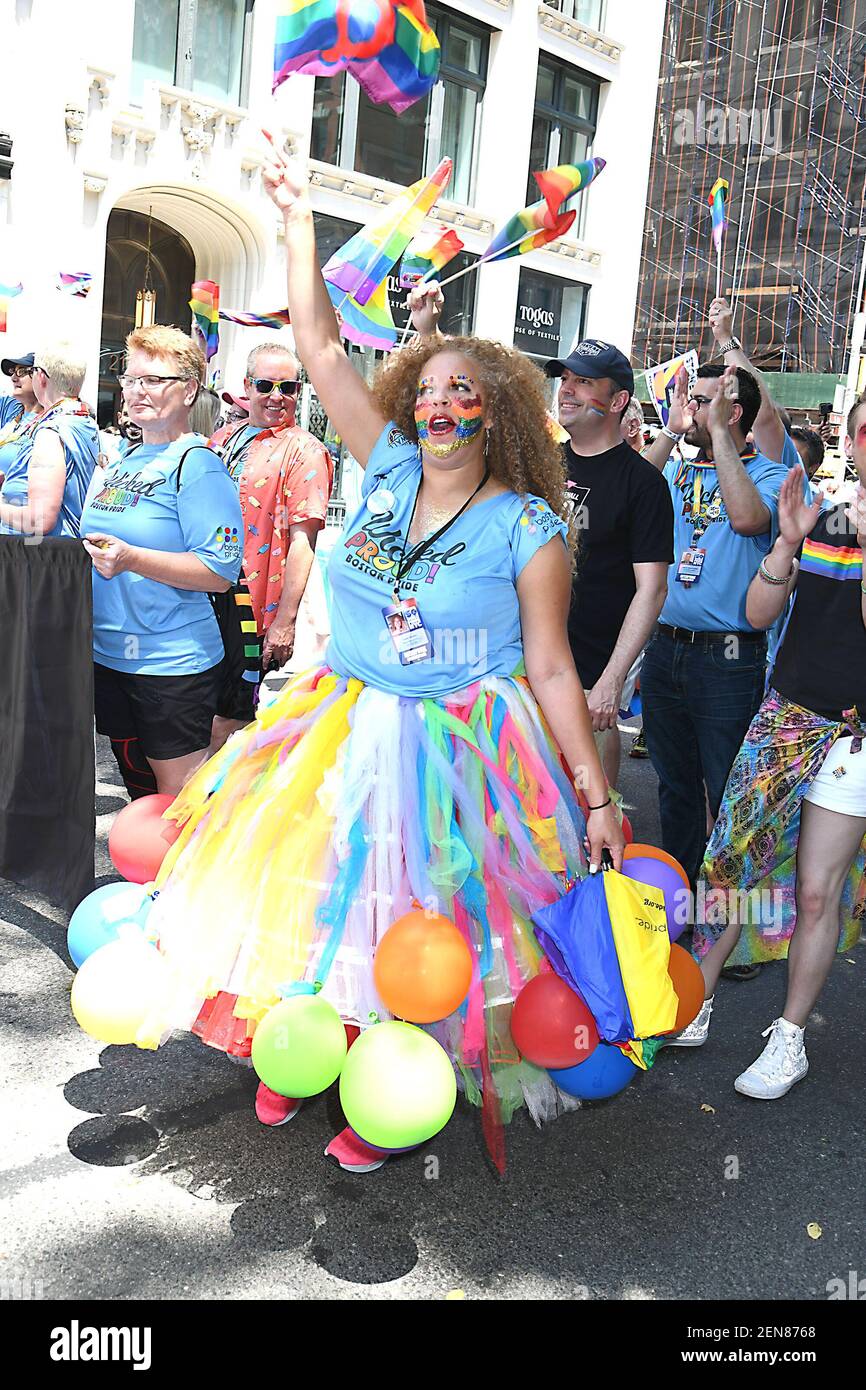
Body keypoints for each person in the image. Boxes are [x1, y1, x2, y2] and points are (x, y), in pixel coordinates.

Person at [135, 151, 625, 1174]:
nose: (441, 407)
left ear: (496, 414)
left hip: (455, 744)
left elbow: (549, 669)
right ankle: (303, 1040)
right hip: (341, 718)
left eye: (464, 395)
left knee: (420, 917)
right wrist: (298, 216)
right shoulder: (389, 462)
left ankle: (388, 1079)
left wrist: (592, 787)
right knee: (312, 888)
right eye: (429, 390)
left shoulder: (526, 527)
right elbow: (315, 343)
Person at [664, 397, 866, 1097]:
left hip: (853, 739)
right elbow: (758, 613)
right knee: (729, 869)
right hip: (786, 717)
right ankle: (695, 998)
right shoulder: (827, 519)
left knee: (816, 893)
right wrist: (786, 542)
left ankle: (789, 1038)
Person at [640, 362, 789, 913]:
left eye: (702, 401)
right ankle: (679, 909)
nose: (692, 407)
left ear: (734, 413)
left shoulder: (769, 475)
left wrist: (720, 434)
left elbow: (749, 519)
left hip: (727, 659)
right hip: (665, 648)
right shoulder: (678, 465)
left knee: (728, 792)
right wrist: (673, 430)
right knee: (675, 788)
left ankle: (730, 926)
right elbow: (630, 487)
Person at [81, 325, 242, 799]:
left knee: (179, 803)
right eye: (131, 380)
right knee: (141, 794)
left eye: (153, 380)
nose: (136, 392)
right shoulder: (128, 459)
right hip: (109, 657)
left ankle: (188, 877)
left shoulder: (198, 465)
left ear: (189, 389)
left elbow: (218, 572)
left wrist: (131, 559)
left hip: (170, 665)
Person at [545, 341, 674, 791]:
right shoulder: (540, 467)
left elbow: (652, 590)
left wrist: (612, 680)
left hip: (586, 686)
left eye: (583, 382)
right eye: (565, 380)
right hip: (521, 671)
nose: (567, 390)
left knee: (585, 825)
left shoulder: (644, 485)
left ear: (618, 401)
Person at [208, 341, 333, 751]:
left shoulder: (305, 450)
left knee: (230, 718)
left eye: (289, 387)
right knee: (197, 706)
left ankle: (215, 808)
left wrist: (284, 620)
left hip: (251, 604)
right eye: (265, 385)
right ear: (247, 386)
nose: (277, 396)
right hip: (200, 595)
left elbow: (303, 541)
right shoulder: (222, 438)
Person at [0, 342, 98, 538]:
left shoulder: (51, 431)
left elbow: (38, 520)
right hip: (50, 551)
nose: (15, 377)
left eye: (29, 371)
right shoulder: (84, 421)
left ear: (41, 377)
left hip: (34, 552)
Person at [0, 352, 42, 486]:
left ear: (41, 378)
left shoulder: (49, 422)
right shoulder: (11, 408)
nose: (13, 378)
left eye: (22, 372)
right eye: (13, 372)